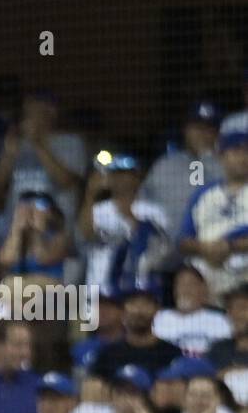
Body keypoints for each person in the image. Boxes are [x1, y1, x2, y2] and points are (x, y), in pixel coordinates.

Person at [0, 91, 88, 232]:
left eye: (34, 111)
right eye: (26, 112)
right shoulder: (17, 144)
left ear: (51, 112)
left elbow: (67, 182)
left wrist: (37, 143)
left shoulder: (71, 142)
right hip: (16, 228)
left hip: (55, 229)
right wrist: (7, 156)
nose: (27, 116)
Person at [141, 101, 224, 269]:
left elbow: (198, 189)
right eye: (197, 127)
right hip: (168, 259)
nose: (203, 134)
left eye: (210, 128)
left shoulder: (225, 165)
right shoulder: (164, 165)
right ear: (186, 129)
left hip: (213, 258)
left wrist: (205, 158)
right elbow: (141, 207)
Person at [179, 114, 248, 301]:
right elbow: (183, 240)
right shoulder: (203, 194)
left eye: (247, 151)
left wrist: (230, 246)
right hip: (207, 283)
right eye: (236, 151)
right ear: (221, 156)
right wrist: (204, 248)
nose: (243, 157)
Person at [79, 153, 169, 294]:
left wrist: (128, 215)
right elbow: (86, 234)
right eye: (115, 174)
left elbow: (161, 248)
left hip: (139, 291)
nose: (120, 179)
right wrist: (90, 194)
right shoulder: (97, 209)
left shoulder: (153, 211)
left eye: (126, 174)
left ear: (138, 178)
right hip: (100, 289)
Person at [91, 285, 182, 383]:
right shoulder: (107, 355)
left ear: (157, 309)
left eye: (145, 304)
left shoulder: (172, 353)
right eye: (133, 303)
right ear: (122, 310)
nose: (138, 311)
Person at [154, 265, 232, 356]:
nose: (185, 290)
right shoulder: (158, 318)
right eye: (180, 284)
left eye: (190, 284)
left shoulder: (221, 320)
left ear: (203, 288)